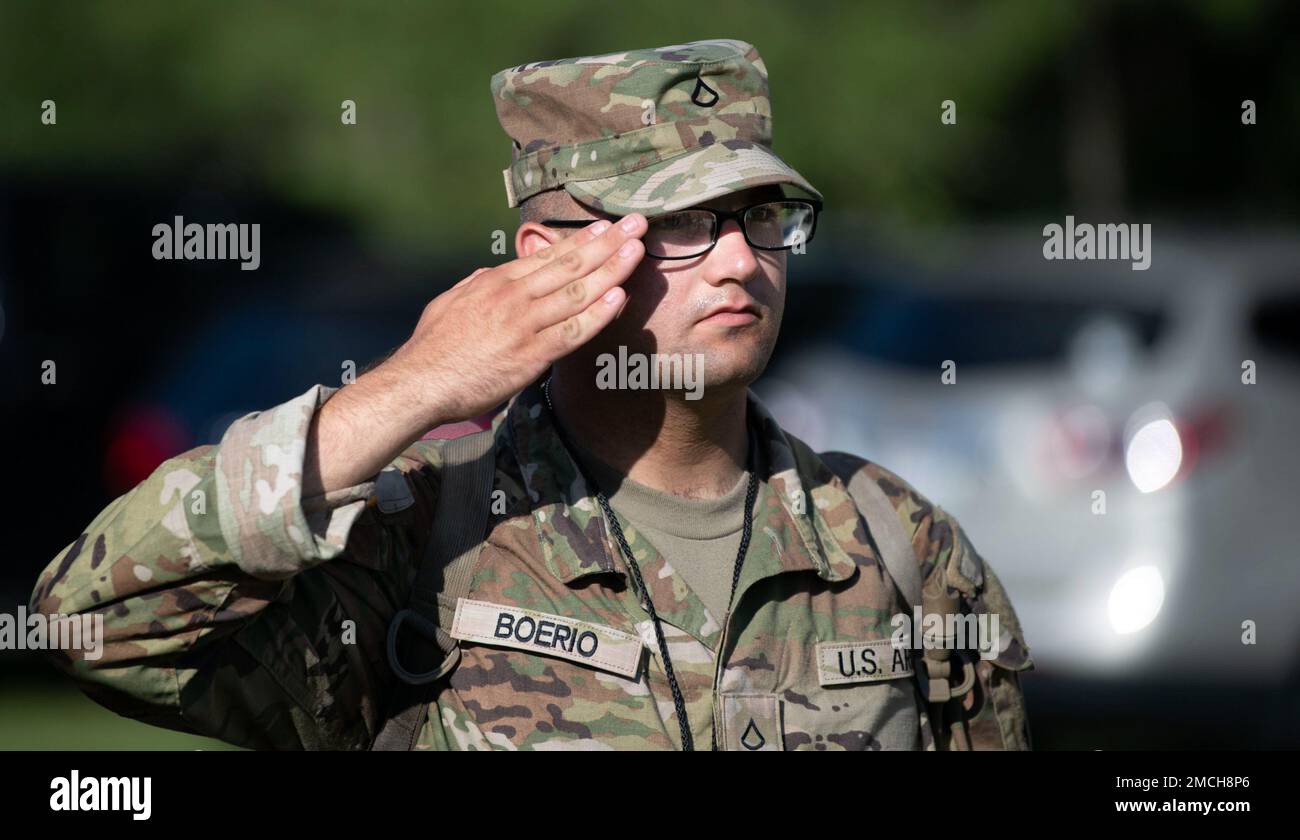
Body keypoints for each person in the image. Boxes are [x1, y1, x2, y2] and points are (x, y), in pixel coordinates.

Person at [31, 38, 1032, 750]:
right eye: (682, 221)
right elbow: (98, 628)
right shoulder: (426, 537)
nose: (739, 260)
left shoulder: (895, 544)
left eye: (759, 214)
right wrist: (416, 385)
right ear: (545, 261)